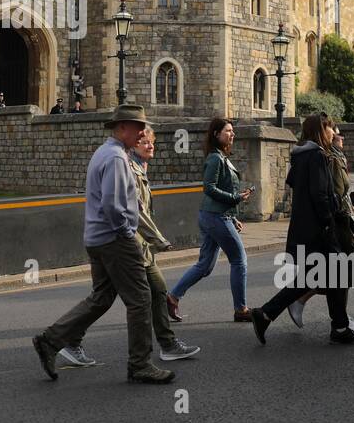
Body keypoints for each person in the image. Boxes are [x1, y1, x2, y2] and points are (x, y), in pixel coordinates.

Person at [31, 105, 175, 384]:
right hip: (115, 239)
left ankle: (51, 341)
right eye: (138, 127)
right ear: (121, 127)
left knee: (101, 298)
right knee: (140, 300)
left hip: (97, 238)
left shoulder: (105, 152)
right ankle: (140, 364)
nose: (143, 132)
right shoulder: (117, 158)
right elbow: (112, 204)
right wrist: (125, 233)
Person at [57, 123, 199, 367]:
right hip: (128, 244)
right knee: (144, 294)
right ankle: (153, 353)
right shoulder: (123, 164)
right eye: (143, 140)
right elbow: (130, 210)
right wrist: (158, 239)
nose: (149, 144)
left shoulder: (137, 168)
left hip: (131, 243)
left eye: (150, 140)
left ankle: (67, 340)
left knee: (108, 297)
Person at [248, 114, 354, 346]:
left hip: (303, 227)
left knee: (321, 276)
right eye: (330, 128)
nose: (333, 132)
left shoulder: (300, 156)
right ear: (320, 131)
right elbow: (320, 195)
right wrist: (327, 223)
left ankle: (267, 315)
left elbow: (296, 185)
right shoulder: (318, 156)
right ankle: (338, 326)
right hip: (320, 229)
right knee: (332, 273)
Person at [284, 119, 354, 335]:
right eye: (335, 131)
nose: (338, 136)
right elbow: (327, 193)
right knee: (340, 270)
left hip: (338, 218)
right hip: (334, 221)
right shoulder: (323, 157)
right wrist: (330, 219)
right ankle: (338, 321)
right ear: (323, 132)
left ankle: (339, 319)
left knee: (336, 271)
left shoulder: (330, 156)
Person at [167, 117, 255, 322]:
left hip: (214, 216)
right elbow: (209, 188)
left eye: (233, 131)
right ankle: (241, 310)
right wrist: (235, 199)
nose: (232, 134)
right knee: (239, 260)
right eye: (227, 131)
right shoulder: (215, 158)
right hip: (215, 217)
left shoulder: (222, 157)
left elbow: (221, 189)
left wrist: (233, 217)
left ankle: (172, 297)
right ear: (216, 134)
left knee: (205, 266)